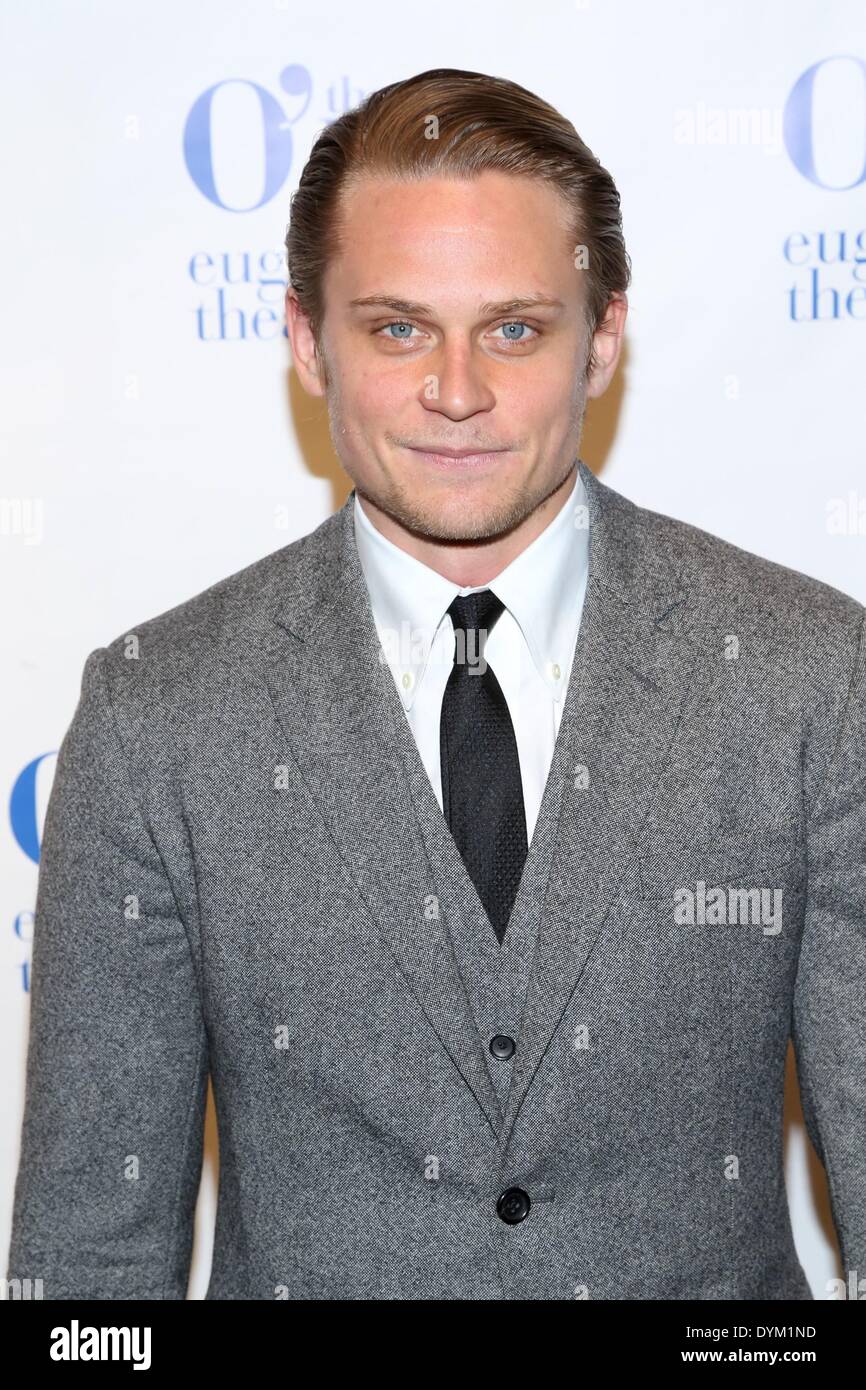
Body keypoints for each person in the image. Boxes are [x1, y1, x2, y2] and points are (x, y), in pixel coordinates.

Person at [7, 67, 865, 1301]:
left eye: (512, 328)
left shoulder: (809, 678)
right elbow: (89, 1271)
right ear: (307, 341)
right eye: (397, 326)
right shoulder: (159, 714)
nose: (455, 392)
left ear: (603, 337)